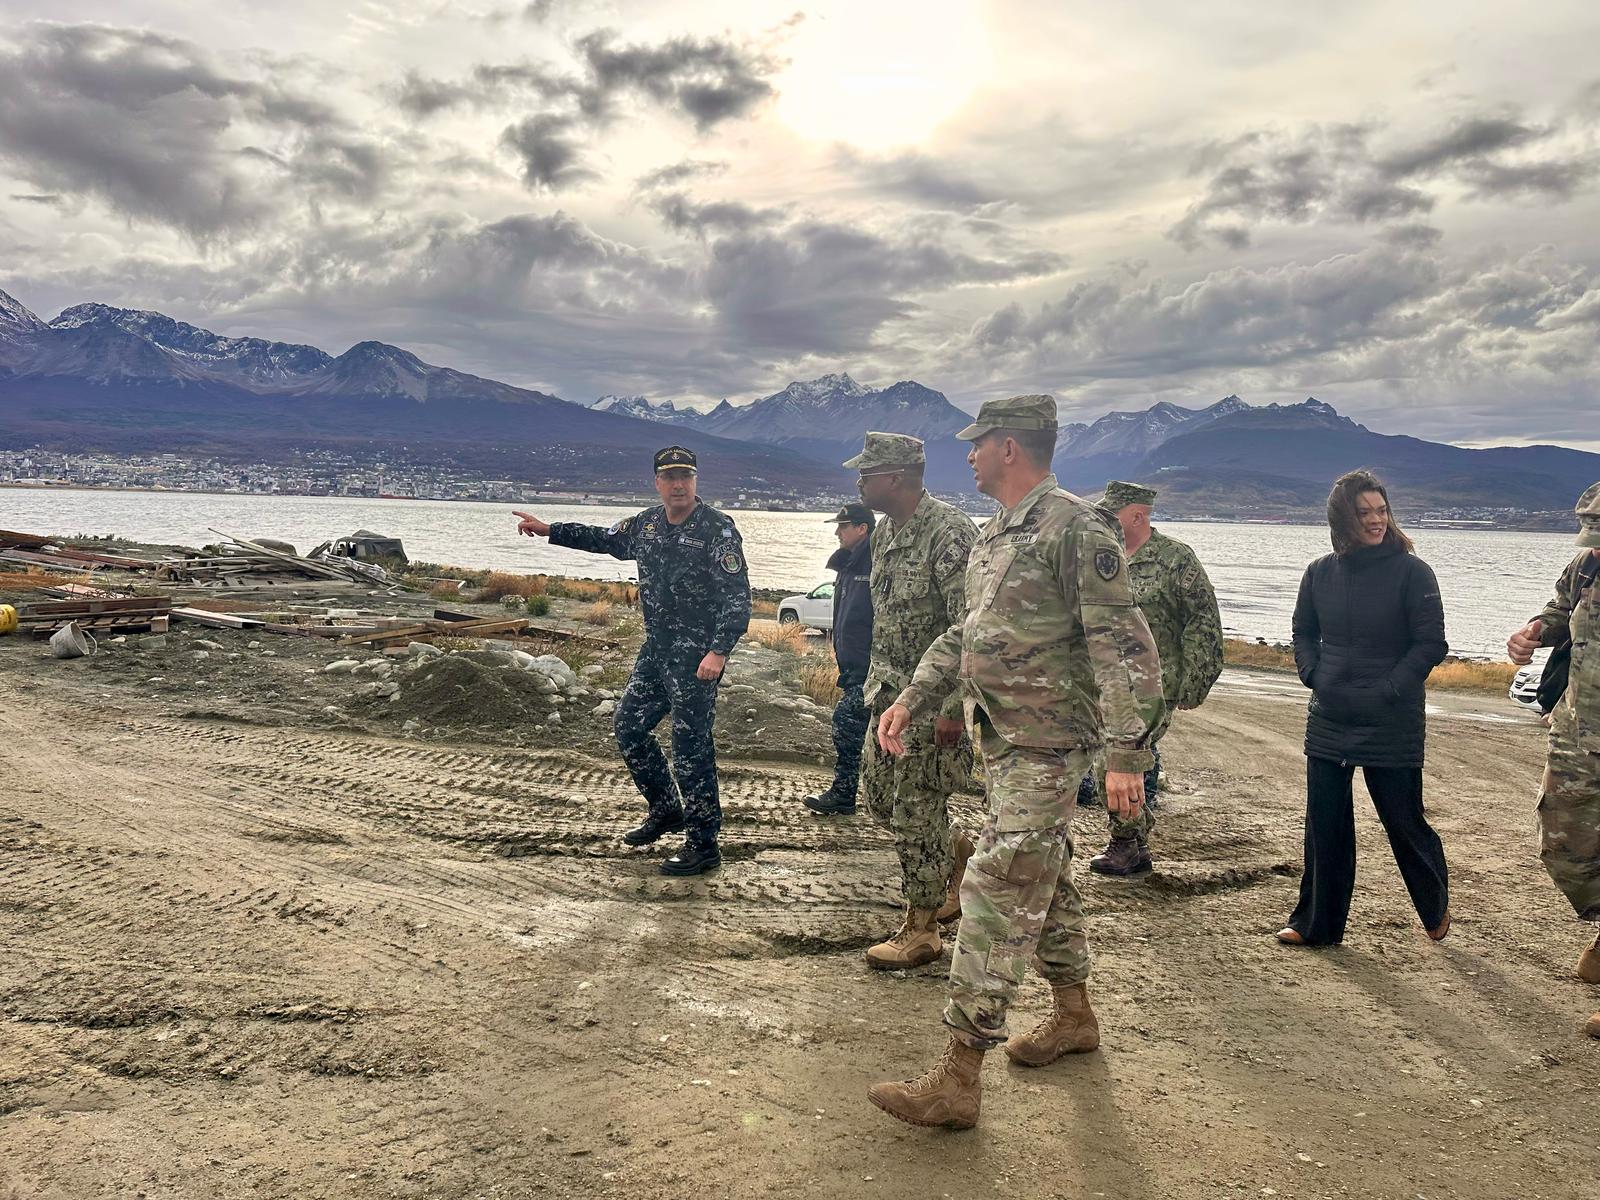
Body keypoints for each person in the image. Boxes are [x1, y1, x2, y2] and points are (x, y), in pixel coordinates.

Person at [867, 395, 1165, 1131]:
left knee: (995, 887)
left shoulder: (1074, 528)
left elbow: (1122, 645)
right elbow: (966, 634)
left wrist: (1126, 755)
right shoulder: (997, 532)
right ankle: (1075, 1014)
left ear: (1009, 447)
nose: (967, 454)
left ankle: (958, 1076)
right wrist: (913, 696)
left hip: (1050, 746)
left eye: (978, 443)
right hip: (1003, 740)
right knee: (1046, 875)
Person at [512, 446, 750, 876]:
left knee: (691, 746)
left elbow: (737, 597)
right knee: (629, 727)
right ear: (657, 483)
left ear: (695, 481)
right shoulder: (647, 525)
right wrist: (550, 530)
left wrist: (719, 651)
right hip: (656, 650)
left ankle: (703, 844)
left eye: (686, 476)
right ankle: (666, 808)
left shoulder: (717, 529)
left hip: (697, 658)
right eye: (670, 477)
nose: (678, 485)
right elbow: (604, 539)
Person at [1278, 469, 1450, 947]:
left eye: (1382, 510)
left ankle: (1434, 904)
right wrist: (1313, 674)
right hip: (1330, 714)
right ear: (1343, 519)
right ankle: (1317, 925)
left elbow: (1431, 643)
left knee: (1403, 819)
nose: (1376, 520)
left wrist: (1390, 689)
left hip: (1391, 717)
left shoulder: (1413, 572)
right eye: (1364, 513)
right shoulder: (1319, 572)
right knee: (1325, 822)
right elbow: (1303, 631)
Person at [847, 432, 979, 970]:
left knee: (915, 810)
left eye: (867, 474)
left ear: (895, 478)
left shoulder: (950, 534)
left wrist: (951, 706)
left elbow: (969, 629)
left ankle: (922, 929)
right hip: (886, 696)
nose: (859, 483)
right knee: (880, 799)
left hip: (929, 702)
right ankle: (955, 852)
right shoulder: (884, 533)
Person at [1082, 481, 1224, 877]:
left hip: (1154, 684)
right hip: (1106, 682)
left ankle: (1126, 843)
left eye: (1111, 516)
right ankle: (1135, 843)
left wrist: (1195, 682)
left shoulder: (1175, 559)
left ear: (1137, 516)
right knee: (1114, 760)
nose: (1104, 523)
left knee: (1118, 757)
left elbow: (1203, 621)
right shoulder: (1104, 559)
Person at [1507, 480, 1600, 1040]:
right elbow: (1561, 610)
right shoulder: (1587, 566)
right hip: (1577, 730)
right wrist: (1534, 632)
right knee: (1564, 845)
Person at [805, 503, 876, 816]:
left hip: (871, 668)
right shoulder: (848, 564)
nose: (837, 532)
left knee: (846, 725)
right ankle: (854, 794)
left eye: (843, 526)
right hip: (852, 668)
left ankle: (846, 793)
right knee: (860, 731)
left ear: (862, 528)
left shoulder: (876, 561)